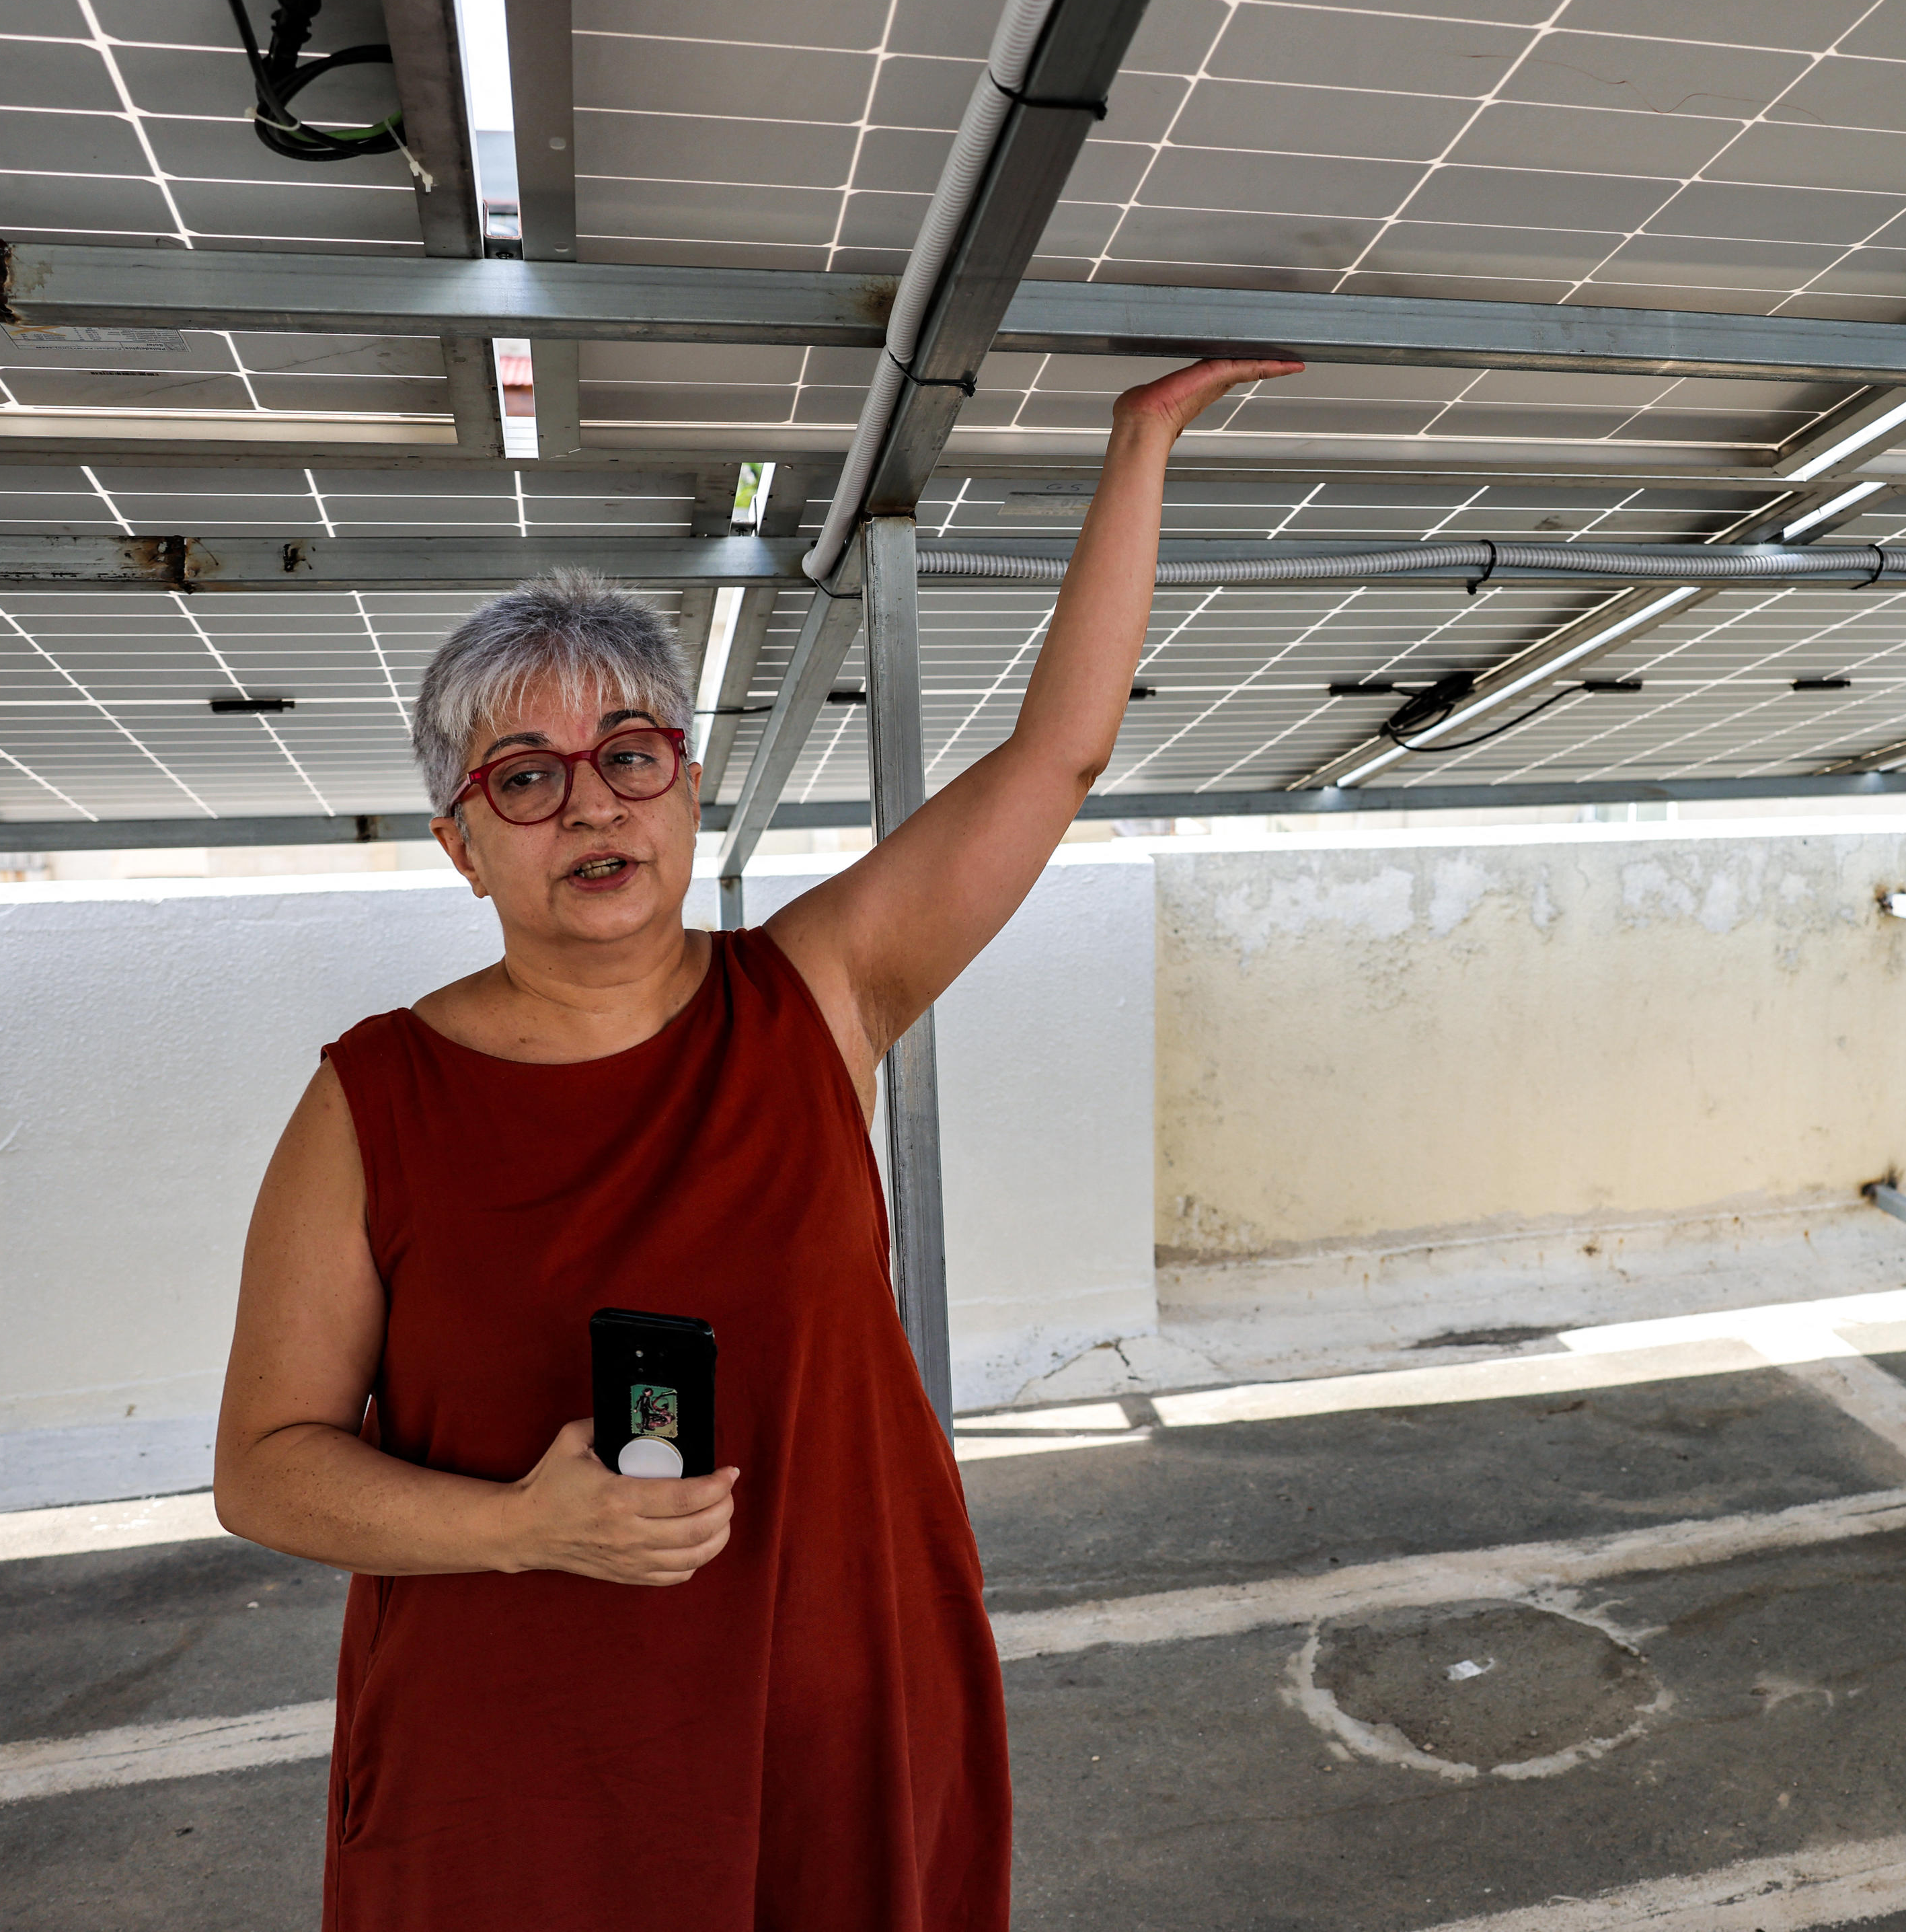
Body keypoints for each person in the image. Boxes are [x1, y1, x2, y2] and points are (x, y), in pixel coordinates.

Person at [212, 356, 1301, 1931]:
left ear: (689, 792)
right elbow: (264, 1469)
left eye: (630, 755)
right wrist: (525, 1527)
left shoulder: (815, 997)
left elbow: (1054, 758)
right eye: (525, 779)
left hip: (832, 1700)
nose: (591, 806)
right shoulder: (376, 1101)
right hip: (525, 1746)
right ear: (461, 845)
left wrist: (1136, 449)